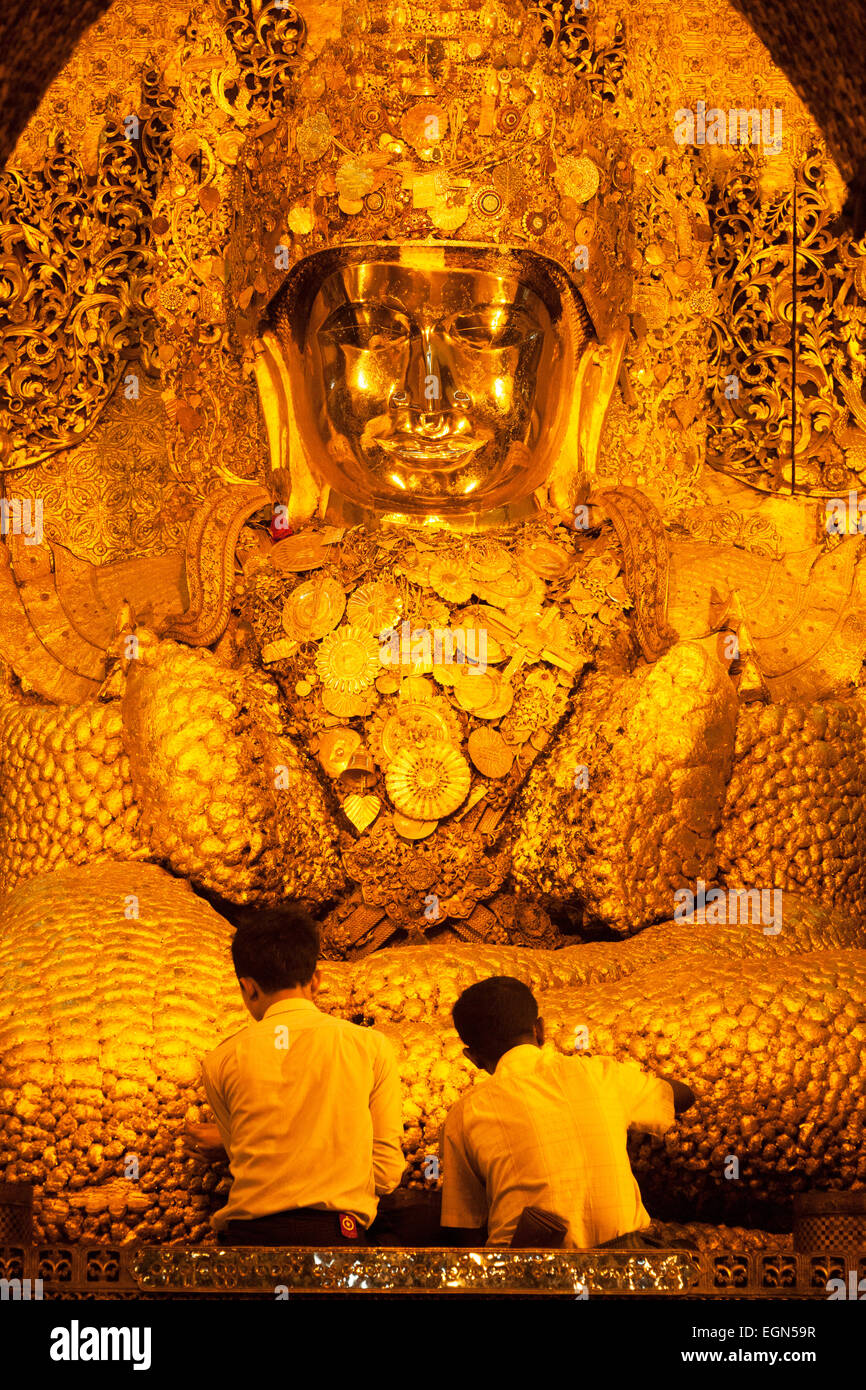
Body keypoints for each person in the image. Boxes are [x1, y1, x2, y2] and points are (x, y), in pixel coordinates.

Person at [184, 905, 405, 1245]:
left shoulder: (220, 1061)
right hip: (337, 1239)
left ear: (248, 988)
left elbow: (239, 1152)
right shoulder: (370, 1046)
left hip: (247, 1243)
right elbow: (387, 1173)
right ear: (316, 979)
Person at [440, 975, 695, 1249]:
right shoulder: (598, 1074)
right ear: (540, 1029)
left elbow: (463, 1228)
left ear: (473, 1058)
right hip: (623, 1263)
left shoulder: (464, 1113)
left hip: (526, 1275)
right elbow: (683, 1096)